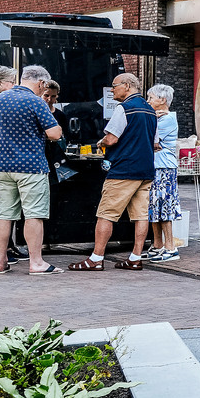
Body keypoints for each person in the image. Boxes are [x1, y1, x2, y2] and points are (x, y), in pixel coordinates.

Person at [68, 73, 158, 272]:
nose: (111, 89)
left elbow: (111, 139)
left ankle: (96, 258)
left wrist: (100, 142)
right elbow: (155, 144)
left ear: (126, 86)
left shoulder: (123, 108)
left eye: (114, 86)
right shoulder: (150, 111)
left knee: (106, 214)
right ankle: (135, 257)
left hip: (123, 170)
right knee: (141, 216)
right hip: (145, 170)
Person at [0, 65, 63, 275]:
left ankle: (0, 261)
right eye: (44, 87)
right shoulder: (35, 101)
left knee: (3, 214)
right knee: (34, 215)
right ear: (40, 83)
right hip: (31, 166)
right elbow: (55, 134)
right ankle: (36, 262)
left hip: (2, 166)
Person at [140, 84, 182, 263]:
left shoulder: (168, 119)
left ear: (162, 100)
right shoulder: (157, 117)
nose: (148, 101)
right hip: (155, 166)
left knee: (164, 206)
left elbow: (149, 138)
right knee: (154, 207)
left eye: (151, 98)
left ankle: (170, 247)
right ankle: (157, 245)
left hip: (164, 167)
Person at [0, 64, 22, 264]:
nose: (14, 85)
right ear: (0, 84)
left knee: (0, 204)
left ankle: (6, 246)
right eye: (11, 81)